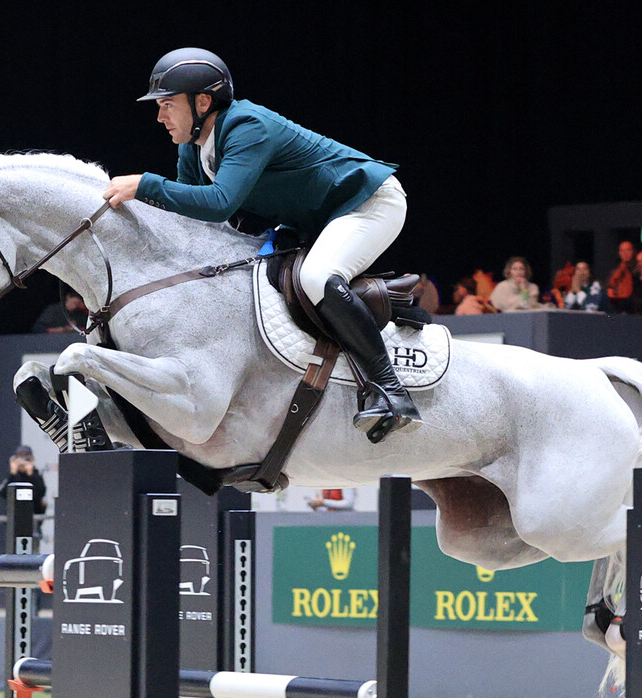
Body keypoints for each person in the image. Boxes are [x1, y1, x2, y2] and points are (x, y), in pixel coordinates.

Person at [108, 48, 417, 441]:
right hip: (317, 217)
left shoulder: (247, 125)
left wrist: (144, 185)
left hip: (368, 202)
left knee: (317, 277)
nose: (159, 116)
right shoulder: (192, 143)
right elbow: (191, 219)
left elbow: (220, 202)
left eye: (167, 104)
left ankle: (390, 390)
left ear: (202, 102)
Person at [0, 444, 49, 515]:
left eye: (26, 457)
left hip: (33, 515)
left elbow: (41, 492)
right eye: (20, 456)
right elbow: (2, 492)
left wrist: (30, 474)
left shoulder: (36, 474)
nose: (22, 460)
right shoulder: (12, 475)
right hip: (14, 515)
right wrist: (13, 473)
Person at [606, 240, 638, 313]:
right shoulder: (615, 272)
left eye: (628, 250)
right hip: (617, 307)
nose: (625, 253)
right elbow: (609, 287)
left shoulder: (638, 271)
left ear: (634, 251)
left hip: (634, 308)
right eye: (622, 250)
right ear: (619, 253)